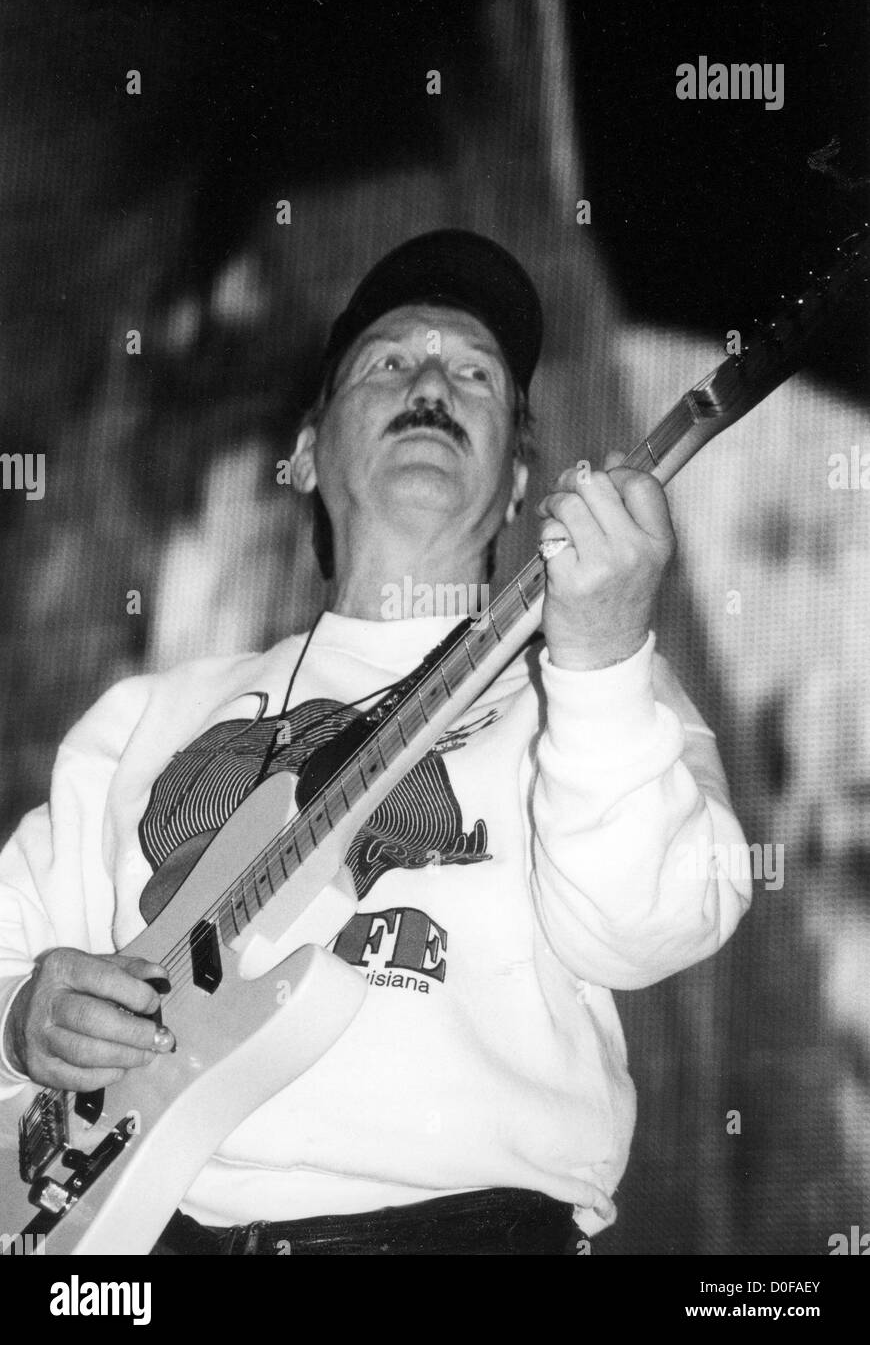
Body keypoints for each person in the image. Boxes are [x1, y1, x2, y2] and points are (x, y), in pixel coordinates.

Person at [0, 230, 751, 1255]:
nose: (434, 380)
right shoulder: (148, 715)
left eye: (477, 373)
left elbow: (648, 929)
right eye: (391, 361)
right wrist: (22, 1017)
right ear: (306, 450)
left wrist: (609, 660)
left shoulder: (602, 687)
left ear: (523, 475)